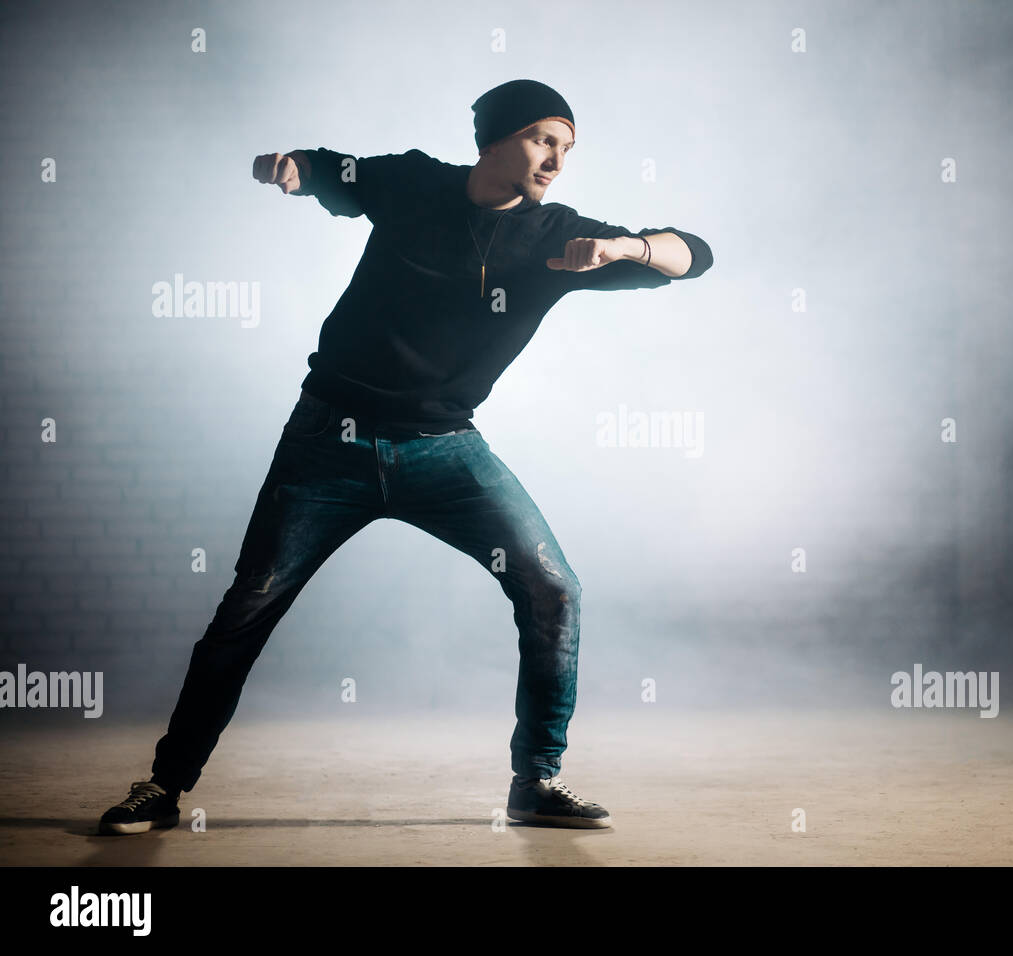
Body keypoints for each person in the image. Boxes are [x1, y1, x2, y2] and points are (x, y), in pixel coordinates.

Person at [98, 78, 712, 835]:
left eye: (567, 147)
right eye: (543, 138)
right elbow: (335, 168)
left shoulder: (558, 235)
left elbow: (696, 254)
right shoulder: (414, 182)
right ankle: (162, 788)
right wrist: (292, 168)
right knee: (248, 608)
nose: (556, 159)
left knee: (554, 589)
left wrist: (628, 247)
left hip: (445, 452)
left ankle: (537, 783)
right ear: (495, 138)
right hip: (328, 443)